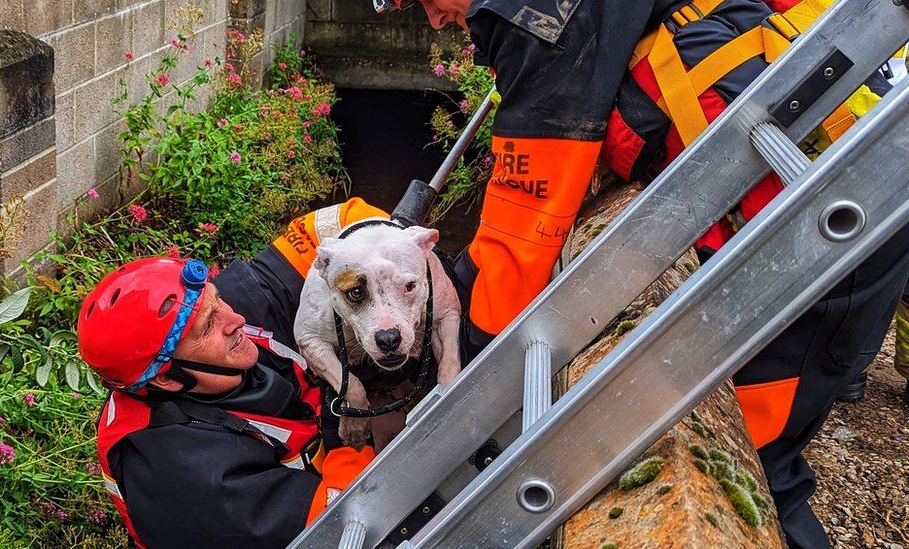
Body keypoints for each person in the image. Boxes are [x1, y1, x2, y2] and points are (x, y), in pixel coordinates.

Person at [376, 0, 909, 546]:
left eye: (412, 0)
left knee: (757, 469)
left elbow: (522, 236)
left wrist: (462, 365)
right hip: (822, 168)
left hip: (824, 232)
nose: (431, 19)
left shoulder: (536, 14)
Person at [78, 199, 386, 548]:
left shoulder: (217, 328)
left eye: (217, 298)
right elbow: (341, 524)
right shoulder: (191, 474)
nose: (235, 318)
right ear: (166, 377)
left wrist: (382, 234)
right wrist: (353, 439)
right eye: (208, 325)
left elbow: (319, 233)